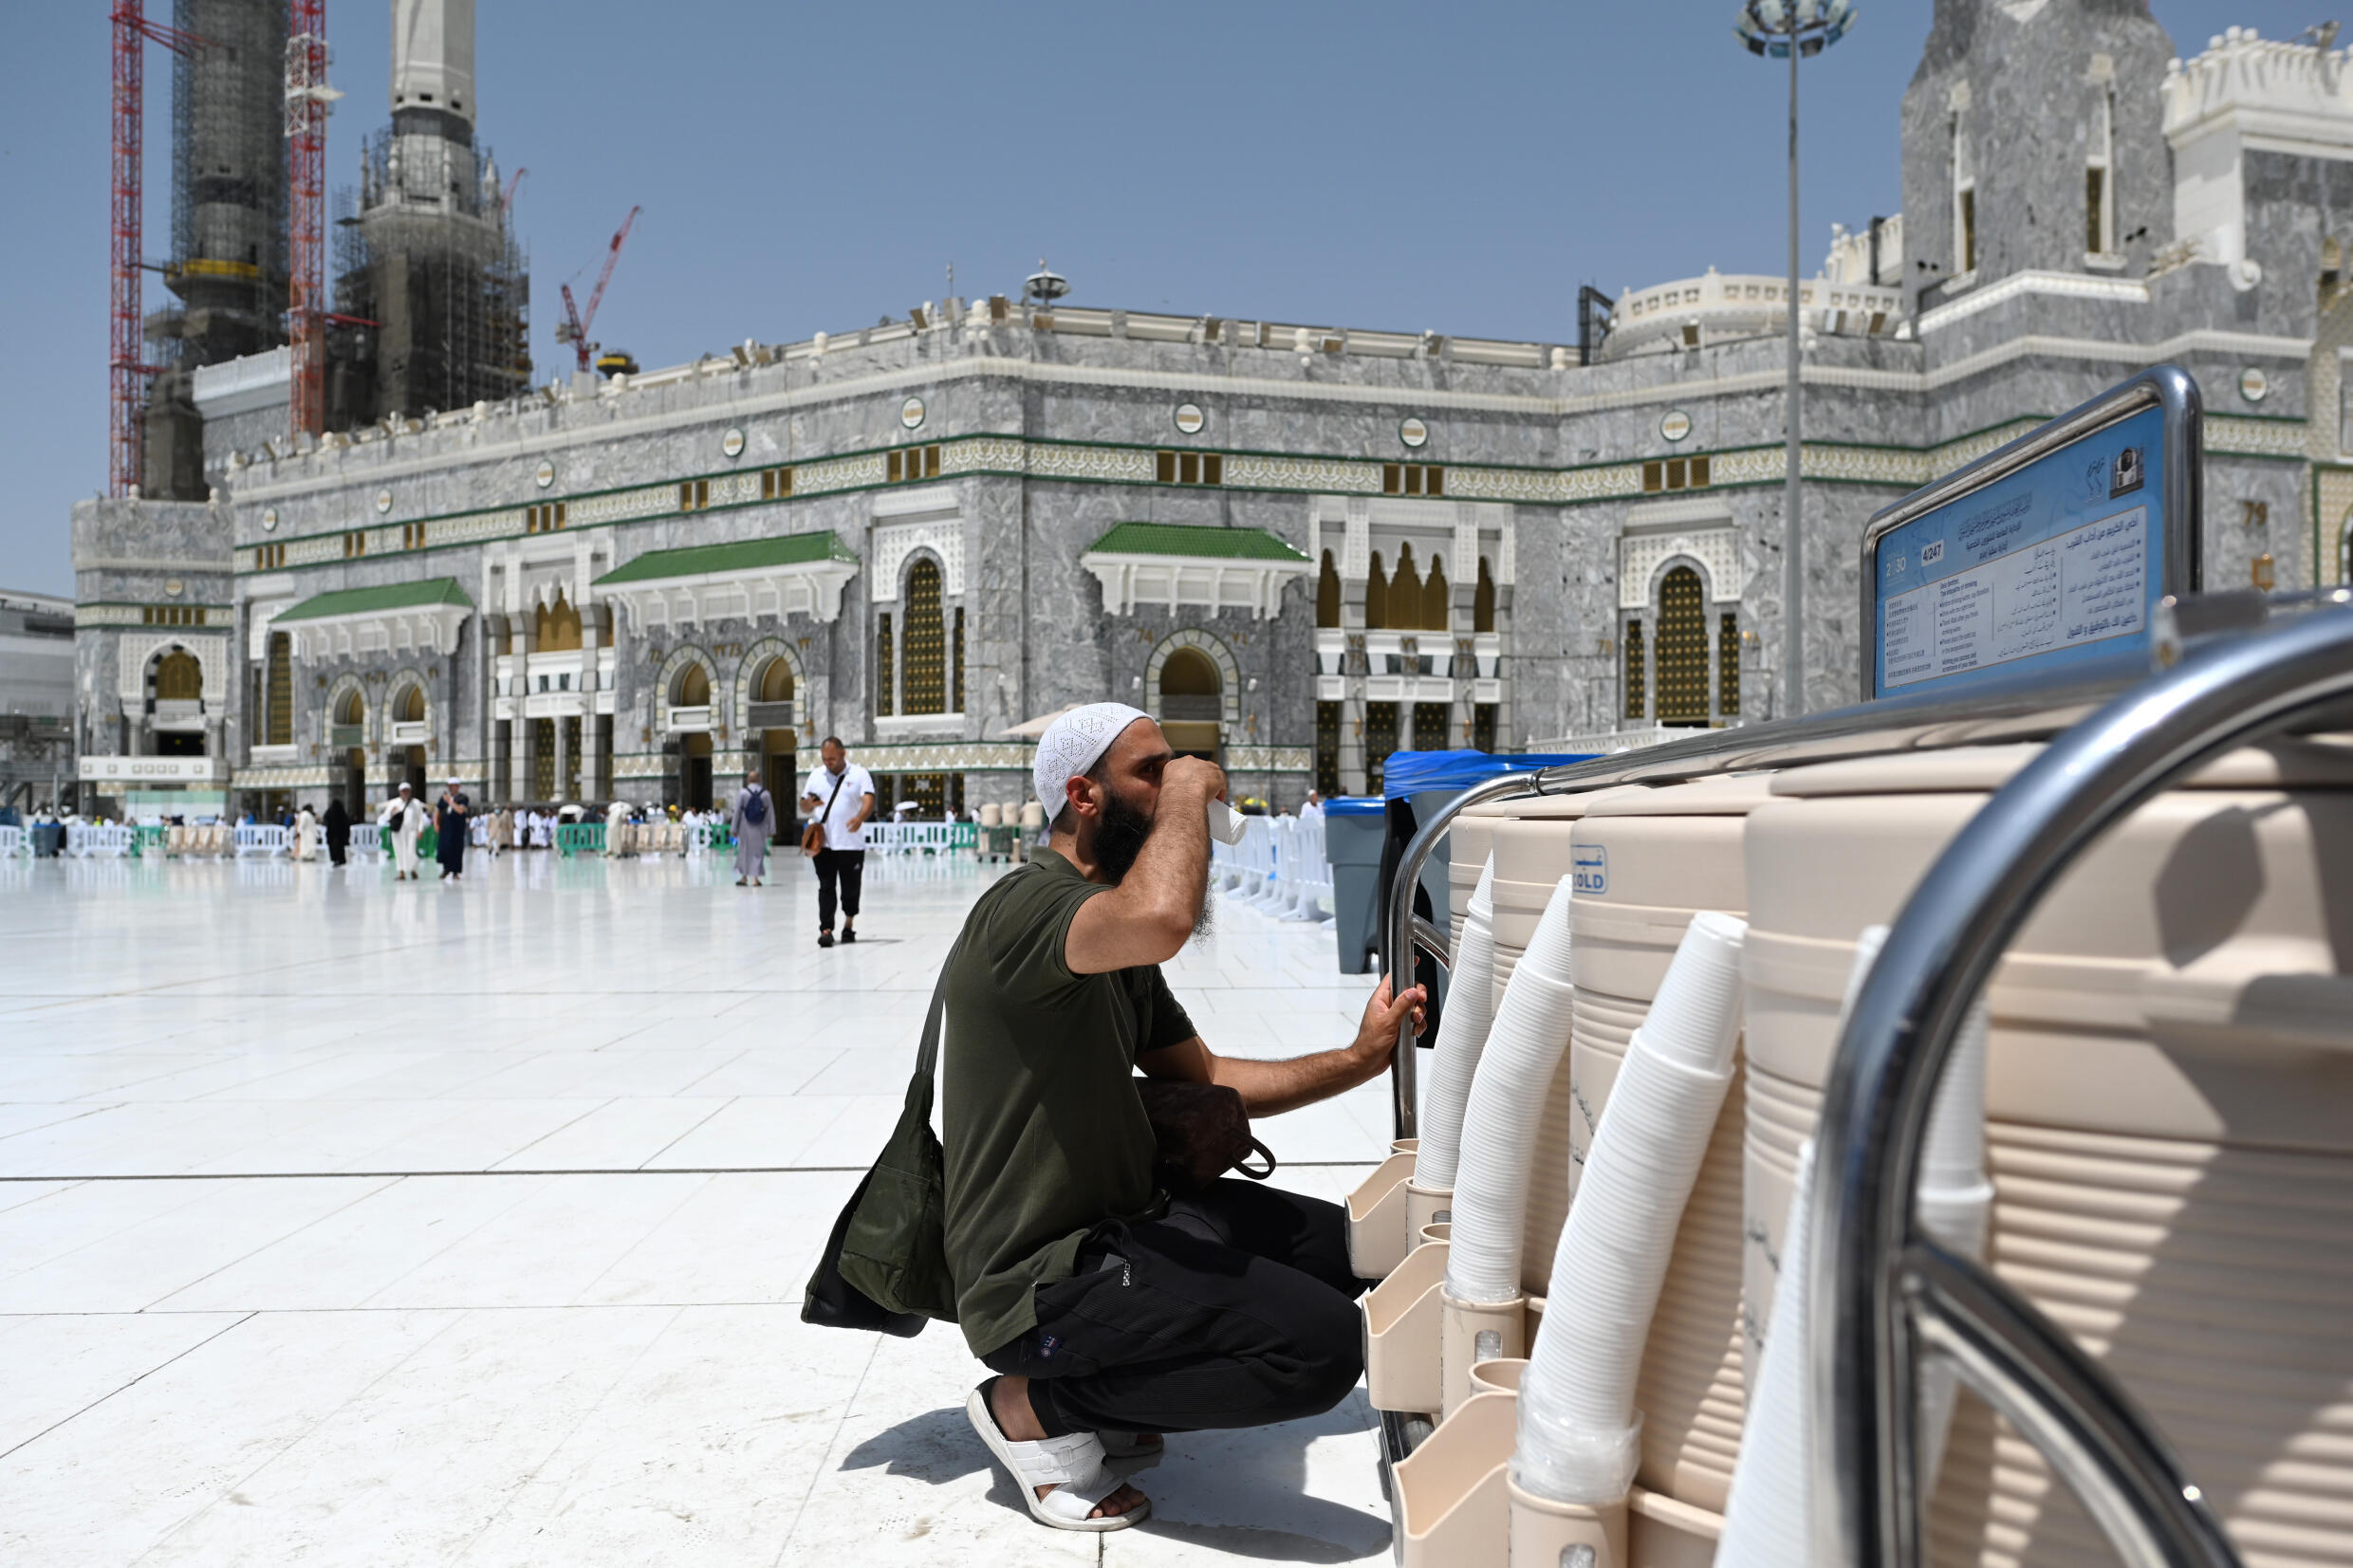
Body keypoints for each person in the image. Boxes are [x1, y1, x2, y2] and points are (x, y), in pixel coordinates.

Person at [943, 703, 1423, 1531]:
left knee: (1350, 1254)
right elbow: (1167, 918)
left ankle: (1125, 1383)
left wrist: (1356, 1058)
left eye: (1172, 767)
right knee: (1320, 1347)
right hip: (1041, 1278)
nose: (1172, 786)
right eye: (1150, 772)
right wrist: (1191, 788)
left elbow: (1203, 1076)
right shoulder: (1026, 907)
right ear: (1083, 795)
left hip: (1126, 1221)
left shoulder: (1105, 938)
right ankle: (1038, 1405)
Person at [800, 737, 875, 948]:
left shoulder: (859, 774)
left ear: (843, 754)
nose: (828, 762)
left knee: (850, 887)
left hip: (851, 844)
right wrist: (807, 804)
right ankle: (826, 929)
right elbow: (804, 805)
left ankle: (849, 924)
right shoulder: (816, 776)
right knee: (826, 886)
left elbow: (869, 798)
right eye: (825, 759)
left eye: (832, 758)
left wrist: (860, 817)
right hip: (823, 844)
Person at [730, 770, 776, 887]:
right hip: (760, 827)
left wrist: (734, 828)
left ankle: (744, 877)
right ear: (759, 780)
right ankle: (755, 879)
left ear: (748, 780)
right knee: (758, 852)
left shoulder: (743, 793)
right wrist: (772, 830)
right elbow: (770, 813)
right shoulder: (766, 794)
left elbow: (737, 812)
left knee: (744, 851)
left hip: (745, 826)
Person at [385, 784, 426, 880]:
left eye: (407, 790)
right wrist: (392, 812)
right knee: (399, 851)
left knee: (411, 851)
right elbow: (386, 817)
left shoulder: (415, 803)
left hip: (412, 831)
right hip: (398, 832)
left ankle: (413, 870)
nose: (405, 793)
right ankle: (402, 872)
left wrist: (421, 829)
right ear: (400, 792)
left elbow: (421, 817)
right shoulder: (394, 803)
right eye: (403, 791)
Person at [435, 778, 470, 881]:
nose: (450, 787)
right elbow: (437, 810)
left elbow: (460, 810)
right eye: (449, 785)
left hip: (457, 828)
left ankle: (455, 872)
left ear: (458, 786)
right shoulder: (444, 798)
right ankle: (446, 869)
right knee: (444, 848)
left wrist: (450, 801)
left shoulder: (463, 798)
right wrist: (436, 824)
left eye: (452, 785)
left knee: (456, 849)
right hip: (445, 827)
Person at [324, 796, 351, 867]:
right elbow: (346, 823)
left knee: (333, 848)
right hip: (340, 834)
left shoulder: (330, 811)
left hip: (332, 834)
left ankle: (335, 859)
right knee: (340, 848)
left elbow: (325, 818)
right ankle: (341, 860)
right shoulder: (342, 813)